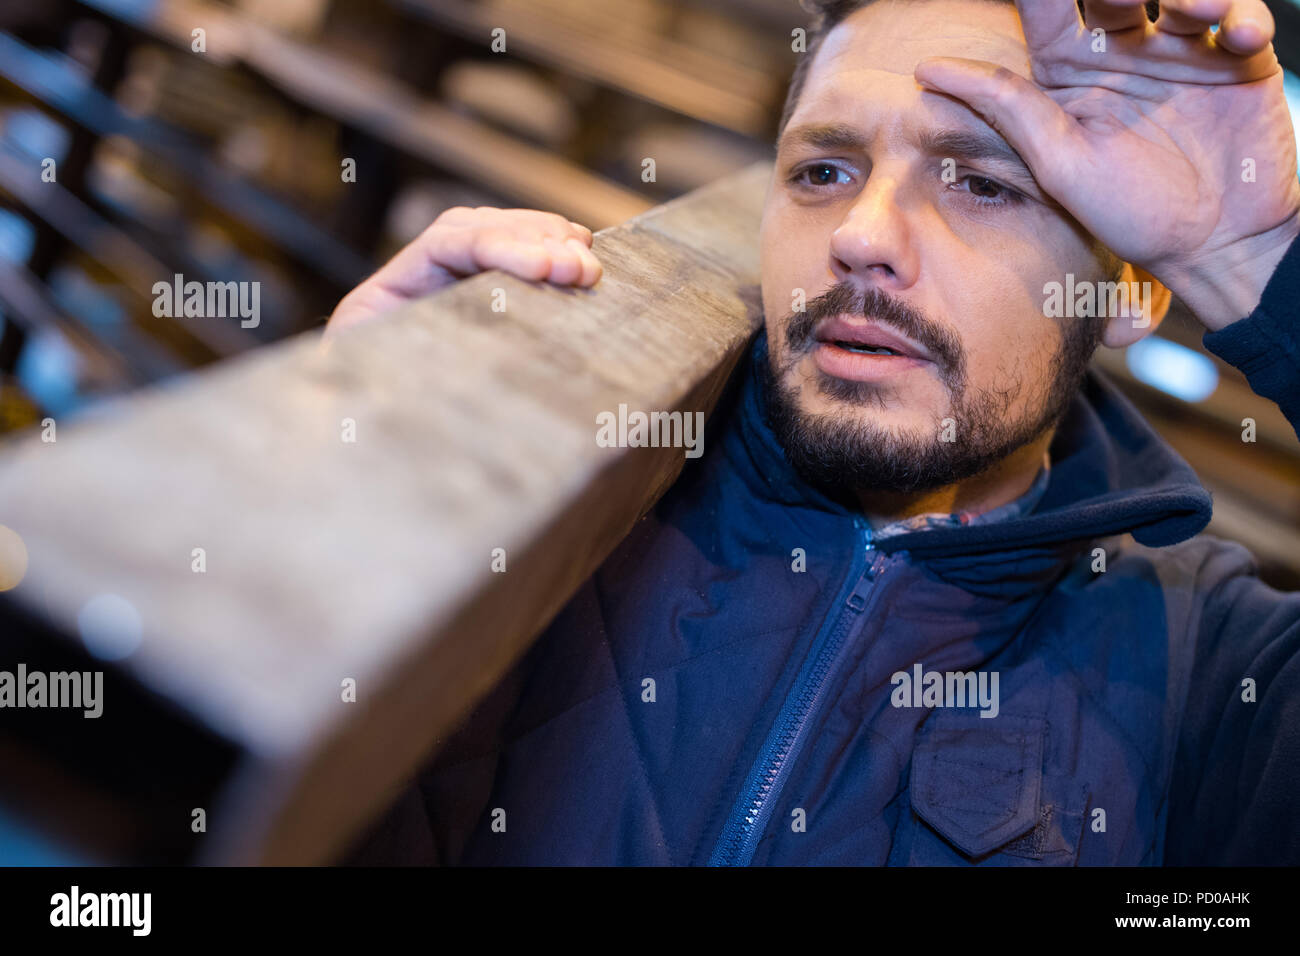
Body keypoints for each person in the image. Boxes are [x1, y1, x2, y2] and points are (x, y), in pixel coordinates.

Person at [332, 0, 1300, 865]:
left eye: (981, 184)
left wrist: (1255, 258)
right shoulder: (561, 472)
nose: (862, 233)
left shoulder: (1206, 685)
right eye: (823, 169)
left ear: (1127, 288)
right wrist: (334, 486)